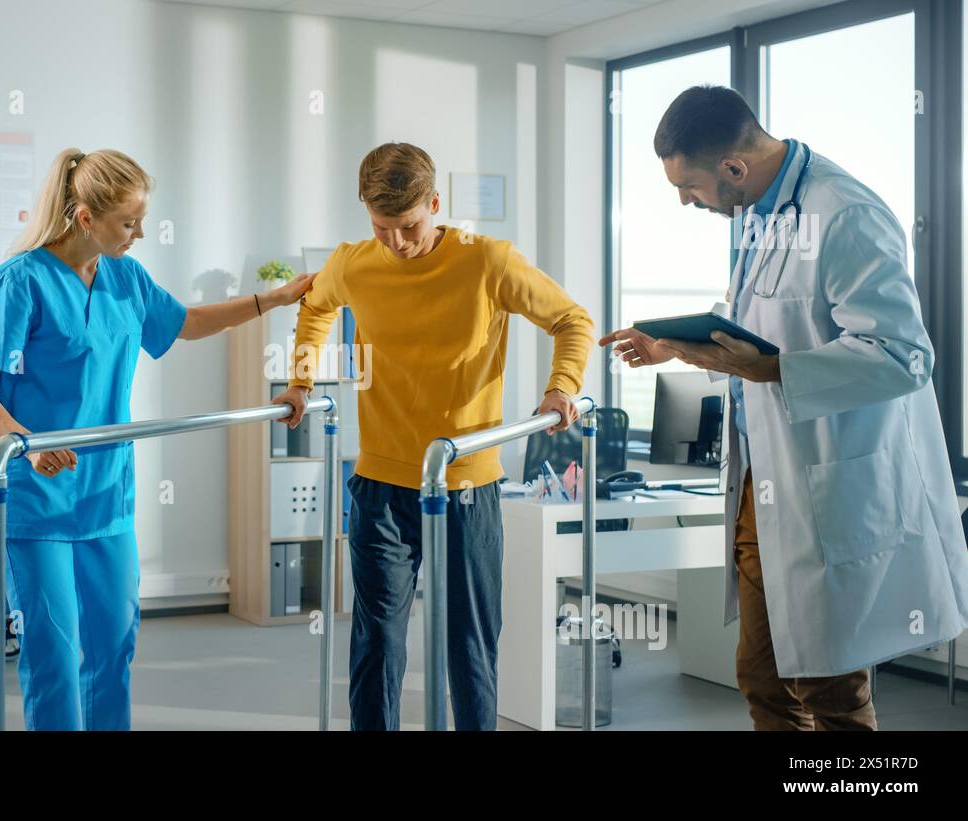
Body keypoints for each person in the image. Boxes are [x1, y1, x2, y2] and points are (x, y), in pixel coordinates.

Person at [599, 85, 968, 730]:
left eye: (690, 187)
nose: (686, 202)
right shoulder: (762, 215)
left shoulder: (846, 213)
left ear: (733, 167)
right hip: (760, 486)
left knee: (828, 689)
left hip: (829, 489)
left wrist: (774, 370)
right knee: (763, 680)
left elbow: (903, 355)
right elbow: (758, 325)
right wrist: (676, 345)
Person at [0, 147, 313, 730]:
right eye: (129, 223)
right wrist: (27, 442)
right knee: (52, 654)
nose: (140, 234)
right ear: (85, 217)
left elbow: (185, 324)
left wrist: (268, 300)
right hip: (36, 497)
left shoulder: (125, 277)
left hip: (106, 493)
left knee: (113, 646)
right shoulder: (21, 282)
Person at [273, 142, 594, 730]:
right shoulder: (353, 263)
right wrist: (300, 381)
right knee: (376, 643)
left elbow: (572, 319)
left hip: (465, 486)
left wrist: (561, 386)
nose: (396, 242)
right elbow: (316, 308)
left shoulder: (488, 261)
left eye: (409, 226)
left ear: (436, 204)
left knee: (469, 645)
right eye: (381, 228)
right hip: (379, 487)